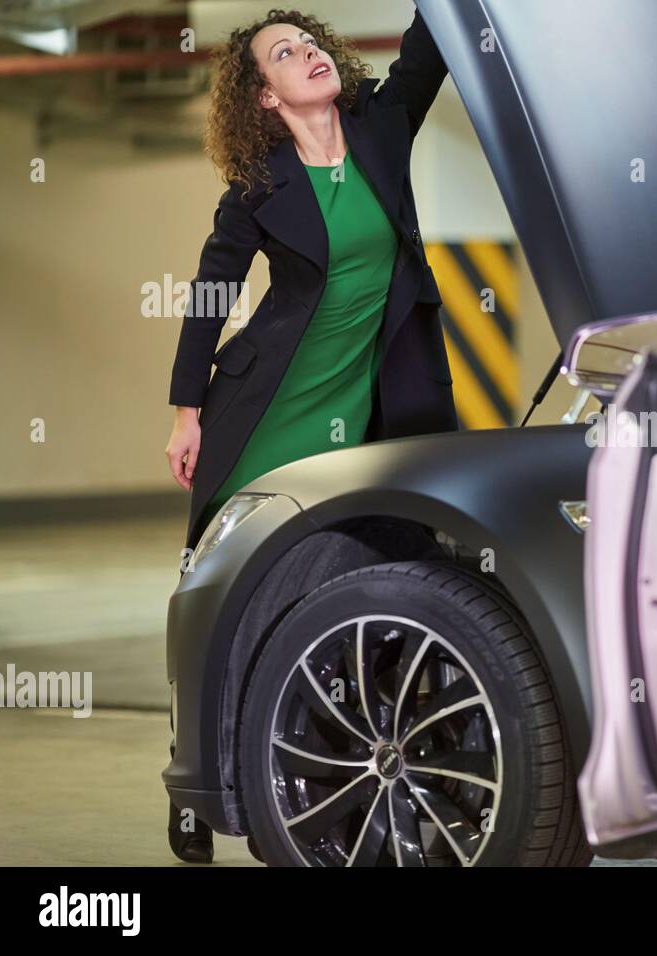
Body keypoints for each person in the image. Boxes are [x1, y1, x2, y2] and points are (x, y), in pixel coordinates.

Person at [163, 5, 456, 863]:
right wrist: (186, 409)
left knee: (353, 586)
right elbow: (212, 290)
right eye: (285, 54)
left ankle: (325, 779)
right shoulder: (261, 185)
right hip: (267, 413)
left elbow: (425, 54)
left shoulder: (381, 128)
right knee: (231, 593)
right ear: (265, 96)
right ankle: (195, 781)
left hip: (370, 412)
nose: (310, 54)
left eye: (311, 42)